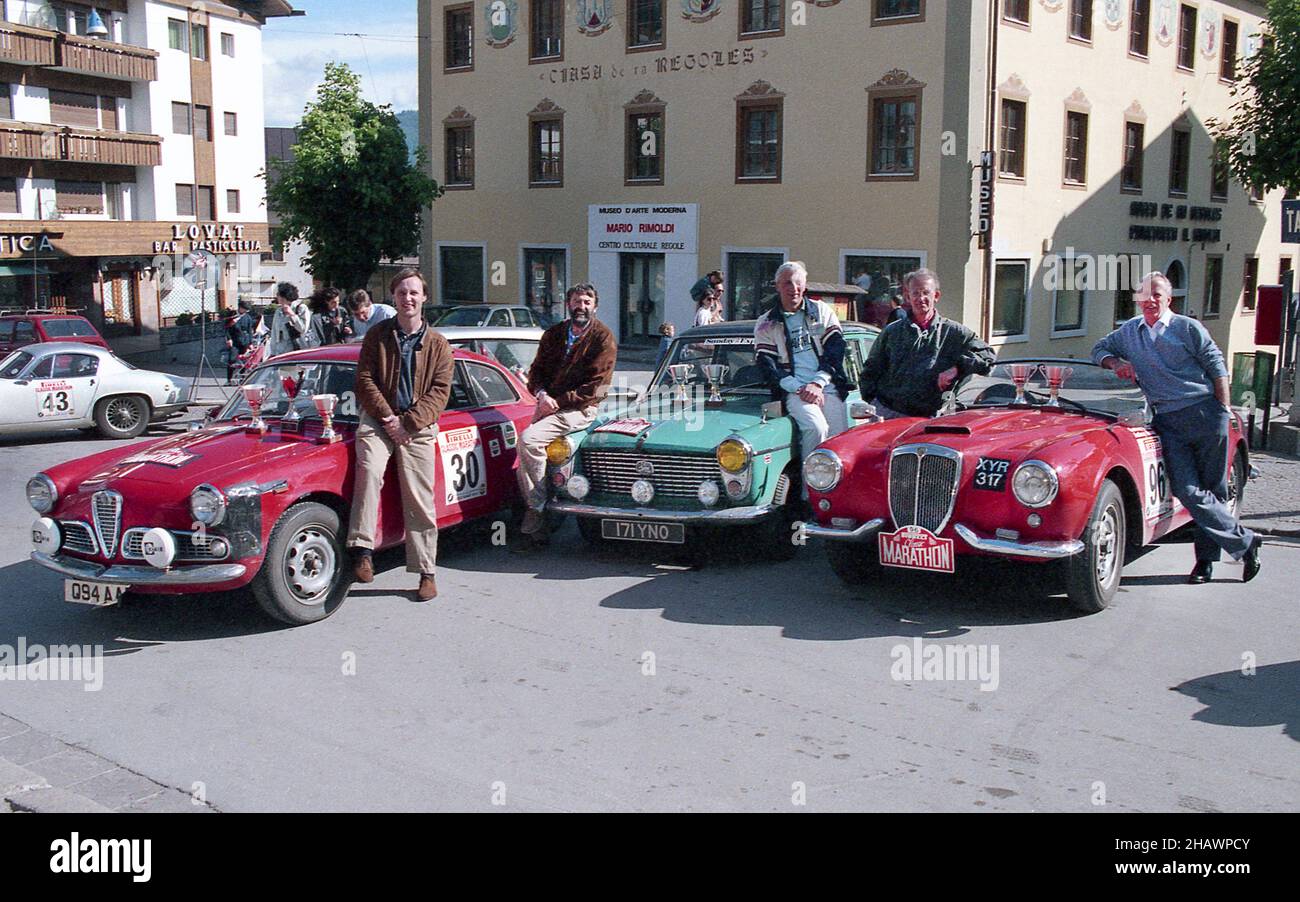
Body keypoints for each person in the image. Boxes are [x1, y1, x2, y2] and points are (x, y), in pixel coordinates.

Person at [1092, 272, 1262, 585]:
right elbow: (1098, 349)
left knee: (1214, 491)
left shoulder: (1187, 327)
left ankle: (1205, 564)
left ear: (1169, 299)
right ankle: (1245, 543)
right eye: (1144, 295)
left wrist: (1223, 412)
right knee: (1188, 490)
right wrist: (1115, 364)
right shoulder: (1130, 331)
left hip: (1205, 415)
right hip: (1168, 422)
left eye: (1156, 294)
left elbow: (1216, 367)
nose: (1150, 300)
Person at [348, 269, 455, 602]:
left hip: (417, 426)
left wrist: (407, 424)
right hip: (379, 419)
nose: (407, 299)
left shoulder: (438, 345)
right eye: (401, 293)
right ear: (393, 299)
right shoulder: (377, 335)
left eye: (413, 293)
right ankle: (362, 550)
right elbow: (365, 380)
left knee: (420, 495)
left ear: (423, 297)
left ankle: (426, 572)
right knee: (369, 471)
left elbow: (440, 392)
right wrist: (388, 418)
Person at [514, 283, 617, 550]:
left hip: (580, 409)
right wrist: (541, 394)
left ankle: (535, 511)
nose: (580, 306)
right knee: (524, 455)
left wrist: (556, 402)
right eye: (576, 301)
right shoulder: (555, 334)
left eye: (586, 301)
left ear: (595, 306)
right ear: (567, 304)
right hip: (549, 404)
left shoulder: (603, 338)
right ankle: (542, 515)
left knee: (529, 440)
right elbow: (536, 371)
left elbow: (595, 387)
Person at [858, 268, 995, 420]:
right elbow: (870, 371)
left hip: (931, 418)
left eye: (925, 293)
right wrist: (875, 404)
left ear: (936, 295)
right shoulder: (892, 332)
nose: (920, 298)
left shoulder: (953, 332)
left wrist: (957, 368)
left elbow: (987, 356)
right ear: (907, 297)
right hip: (889, 414)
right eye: (915, 293)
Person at [755, 261, 854, 470]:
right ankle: (809, 492)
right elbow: (768, 366)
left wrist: (817, 384)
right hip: (794, 390)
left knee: (838, 438)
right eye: (787, 283)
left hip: (827, 385)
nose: (794, 288)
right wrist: (799, 388)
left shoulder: (821, 310)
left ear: (805, 284)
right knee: (816, 428)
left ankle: (835, 492)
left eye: (798, 282)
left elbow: (836, 351)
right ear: (778, 286)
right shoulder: (766, 322)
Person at [267, 282, 312, 358]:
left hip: (296, 351)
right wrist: (273, 352)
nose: (276, 296)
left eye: (278, 294)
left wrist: (292, 315)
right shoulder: (278, 311)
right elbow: (274, 332)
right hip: (280, 352)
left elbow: (303, 329)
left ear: (284, 296)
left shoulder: (301, 308)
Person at [223, 298, 255, 384]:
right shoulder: (232, 315)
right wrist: (228, 338)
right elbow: (226, 328)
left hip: (244, 340)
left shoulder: (248, 318)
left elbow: (250, 330)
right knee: (232, 359)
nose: (244, 311)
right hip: (234, 340)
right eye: (243, 309)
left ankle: (242, 379)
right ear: (240, 307)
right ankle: (229, 379)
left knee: (244, 360)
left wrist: (250, 343)